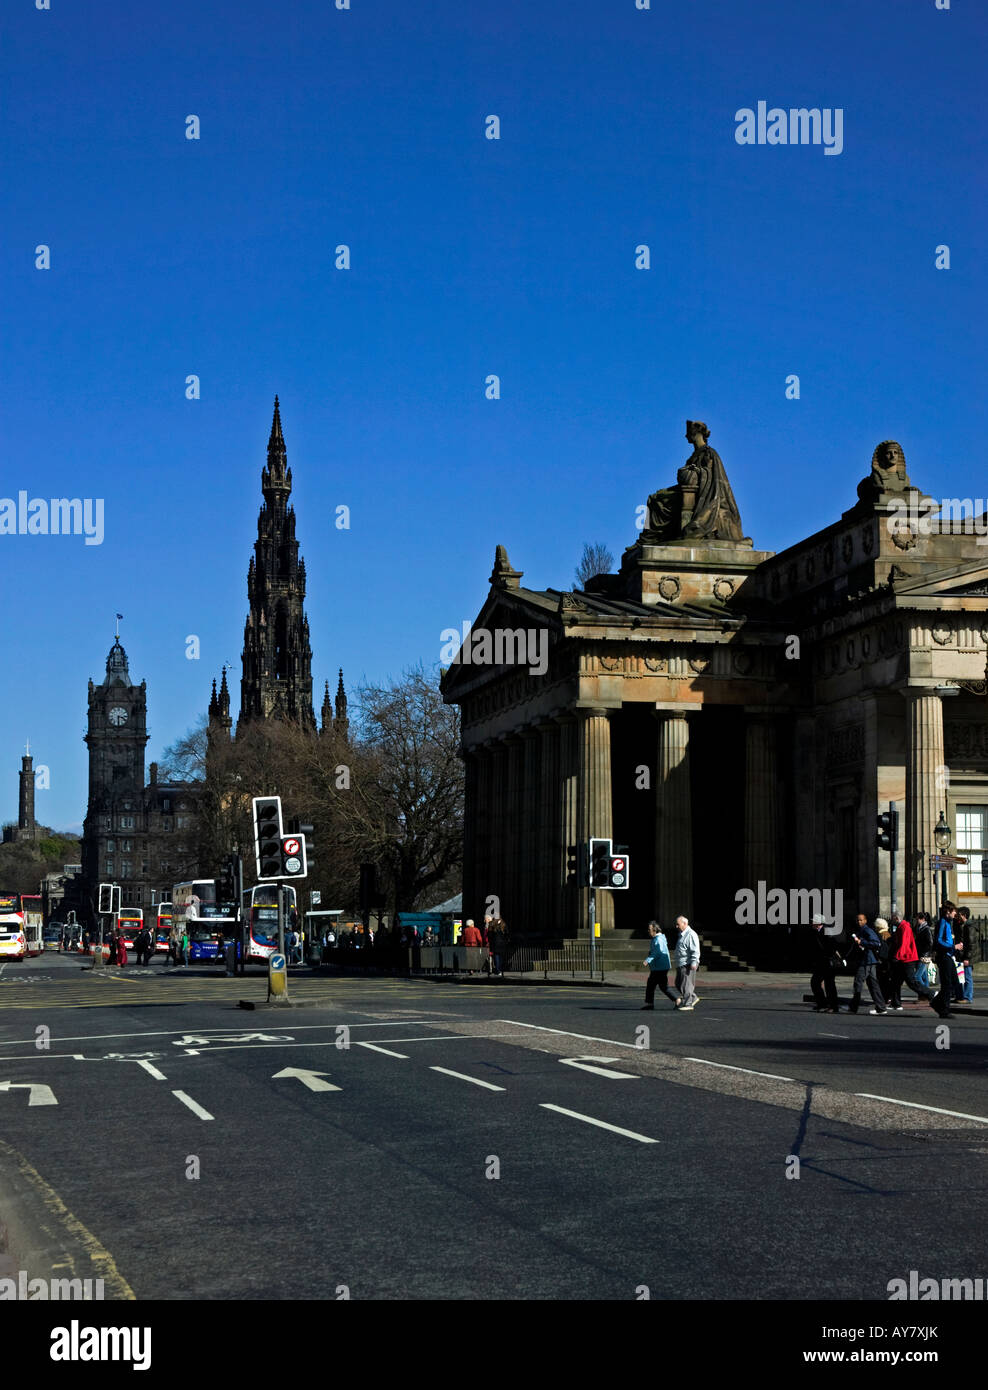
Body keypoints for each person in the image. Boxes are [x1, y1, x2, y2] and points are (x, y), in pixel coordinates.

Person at [888, 911, 938, 1011]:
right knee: (896, 981)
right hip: (905, 958)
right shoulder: (902, 927)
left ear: (897, 919)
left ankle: (931, 993)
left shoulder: (904, 927)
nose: (891, 920)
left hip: (908, 959)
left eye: (892, 918)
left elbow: (904, 944)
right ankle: (896, 1003)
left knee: (911, 982)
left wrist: (897, 956)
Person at [846, 913, 887, 1014]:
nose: (859, 922)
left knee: (858, 982)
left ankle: (853, 1007)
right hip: (868, 960)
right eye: (857, 920)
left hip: (866, 961)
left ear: (865, 921)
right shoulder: (861, 930)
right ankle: (881, 1007)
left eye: (861, 920)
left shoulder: (867, 930)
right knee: (873, 984)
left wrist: (861, 942)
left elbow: (876, 943)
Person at [808, 913, 842, 1012]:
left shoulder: (827, 931)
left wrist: (827, 956)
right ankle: (822, 1003)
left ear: (818, 923)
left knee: (829, 984)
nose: (811, 923)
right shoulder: (816, 931)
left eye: (813, 921)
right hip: (821, 963)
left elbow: (833, 946)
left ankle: (833, 1006)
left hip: (828, 963)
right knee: (815, 982)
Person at [641, 921, 678, 1009]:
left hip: (659, 967)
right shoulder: (659, 938)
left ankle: (650, 1004)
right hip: (660, 966)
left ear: (655, 930)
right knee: (661, 986)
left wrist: (648, 960)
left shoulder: (658, 939)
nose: (648, 931)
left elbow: (658, 951)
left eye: (650, 929)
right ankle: (676, 1000)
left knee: (654, 984)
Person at [933, 902, 957, 1019]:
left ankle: (936, 1002)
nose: (955, 913)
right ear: (948, 912)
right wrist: (953, 947)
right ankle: (944, 1010)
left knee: (954, 982)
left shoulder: (948, 922)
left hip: (948, 955)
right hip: (944, 956)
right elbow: (938, 941)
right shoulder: (942, 922)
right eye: (953, 911)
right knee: (947, 984)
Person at [672, 915, 700, 1010]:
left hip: (687, 963)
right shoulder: (682, 934)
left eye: (677, 924)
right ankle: (693, 997)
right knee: (678, 983)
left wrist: (694, 962)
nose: (676, 926)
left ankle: (688, 1004)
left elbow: (695, 950)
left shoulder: (691, 934)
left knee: (686, 984)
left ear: (685, 923)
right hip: (681, 963)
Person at [954, 906, 974, 1003]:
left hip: (965, 956)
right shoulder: (960, 925)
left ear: (964, 915)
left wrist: (967, 957)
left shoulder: (969, 926)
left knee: (967, 977)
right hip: (959, 955)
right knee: (958, 976)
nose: (957, 916)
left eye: (959, 914)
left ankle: (967, 997)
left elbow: (971, 944)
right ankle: (960, 996)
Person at [914, 911, 934, 990]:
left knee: (917, 976)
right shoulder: (919, 928)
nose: (916, 921)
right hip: (920, 954)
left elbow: (930, 943)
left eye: (917, 919)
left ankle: (926, 993)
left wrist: (924, 952)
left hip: (924, 955)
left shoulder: (926, 929)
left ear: (922, 919)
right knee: (924, 976)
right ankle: (925, 995)